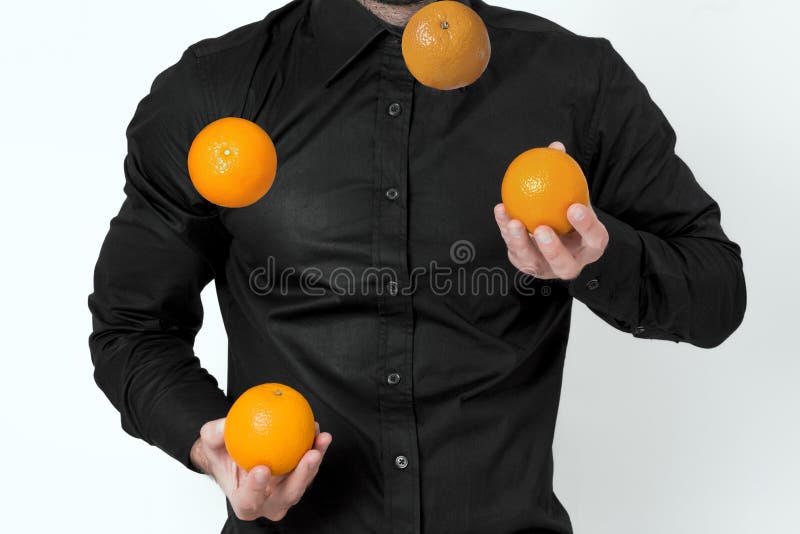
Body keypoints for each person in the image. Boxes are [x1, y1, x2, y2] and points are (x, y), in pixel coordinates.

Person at [87, 0, 746, 532]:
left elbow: (715, 293)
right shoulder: (213, 91)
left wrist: (599, 260)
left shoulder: (576, 84)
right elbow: (132, 328)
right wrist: (213, 448)